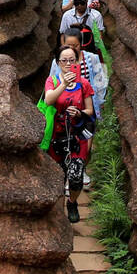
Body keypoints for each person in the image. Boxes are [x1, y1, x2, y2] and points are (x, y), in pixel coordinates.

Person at [51, 28, 107, 187]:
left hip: (88, 108)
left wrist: (100, 102)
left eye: (75, 45)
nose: (72, 48)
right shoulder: (59, 61)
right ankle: (71, 173)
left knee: (86, 142)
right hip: (65, 109)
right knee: (67, 142)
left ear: (81, 44)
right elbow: (51, 80)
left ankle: (82, 169)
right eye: (68, 44)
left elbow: (100, 80)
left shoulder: (92, 58)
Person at [45, 45, 95, 223]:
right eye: (64, 61)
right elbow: (48, 99)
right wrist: (64, 84)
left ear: (78, 61)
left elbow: (90, 110)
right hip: (56, 138)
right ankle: (57, 211)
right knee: (58, 175)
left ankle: (72, 202)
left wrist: (80, 113)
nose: (68, 64)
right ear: (58, 63)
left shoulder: (84, 84)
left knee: (76, 176)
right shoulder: (52, 81)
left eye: (71, 60)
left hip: (76, 137)